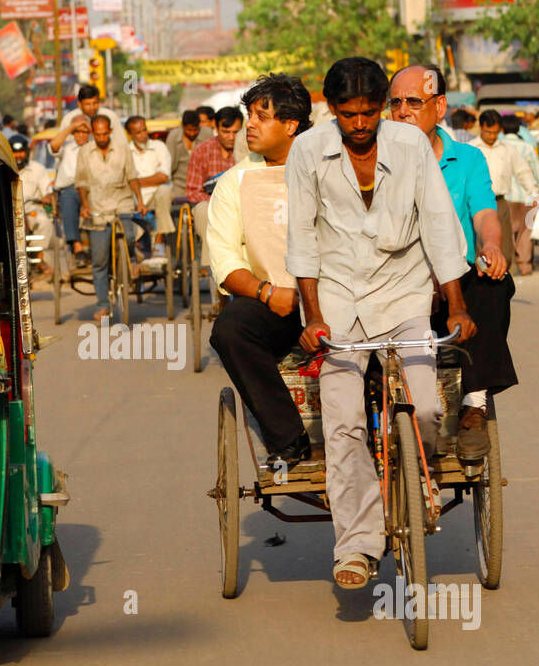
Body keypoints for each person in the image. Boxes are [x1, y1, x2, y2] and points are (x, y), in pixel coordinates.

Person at [286, 57, 474, 590]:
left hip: (403, 291)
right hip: (338, 298)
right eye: (350, 114)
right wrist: (314, 317)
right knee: (342, 423)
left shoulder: (410, 146)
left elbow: (439, 225)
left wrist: (456, 305)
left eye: (370, 113)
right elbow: (301, 237)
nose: (361, 124)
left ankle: (422, 477)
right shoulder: (307, 151)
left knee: (429, 406)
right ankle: (356, 547)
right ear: (332, 110)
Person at [389, 64, 515, 460]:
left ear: (439, 106)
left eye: (414, 101)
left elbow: (484, 214)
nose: (403, 111)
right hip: (399, 284)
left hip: (456, 283)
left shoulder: (468, 159)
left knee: (494, 281)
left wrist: (491, 247)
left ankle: (474, 406)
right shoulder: (379, 158)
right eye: (395, 103)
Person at [206, 74, 315, 467]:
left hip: (336, 295)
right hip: (277, 300)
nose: (249, 124)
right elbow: (226, 263)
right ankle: (288, 438)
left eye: (261, 117)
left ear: (291, 125)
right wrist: (271, 294)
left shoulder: (327, 166)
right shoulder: (234, 182)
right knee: (230, 330)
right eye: (248, 115)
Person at [75, 114, 141, 323]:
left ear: (110, 131)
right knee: (100, 259)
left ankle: (131, 259)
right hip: (98, 208)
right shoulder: (85, 152)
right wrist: (85, 206)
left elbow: (132, 176)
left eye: (105, 133)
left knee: (129, 235)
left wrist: (140, 200)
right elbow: (81, 184)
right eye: (98, 134)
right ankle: (103, 304)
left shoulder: (122, 149)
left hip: (121, 202)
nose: (102, 138)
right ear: (93, 133)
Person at [474, 110, 538, 268]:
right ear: (481, 128)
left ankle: (500, 278)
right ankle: (482, 283)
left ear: (500, 130)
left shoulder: (507, 149)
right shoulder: (471, 148)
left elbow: (523, 171)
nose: (491, 136)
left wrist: (533, 192)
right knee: (480, 247)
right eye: (488, 132)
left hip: (501, 203)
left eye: (495, 132)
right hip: (476, 204)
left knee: (505, 249)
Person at [185, 106, 244, 265]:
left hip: (240, 204)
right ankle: (210, 265)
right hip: (210, 204)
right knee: (203, 210)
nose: (231, 137)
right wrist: (217, 204)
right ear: (216, 129)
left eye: (236, 132)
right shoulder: (201, 151)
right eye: (226, 132)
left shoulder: (248, 150)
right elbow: (193, 191)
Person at [500, 113, 539, 275]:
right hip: (527, 195)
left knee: (507, 231)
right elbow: (536, 170)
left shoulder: (500, 147)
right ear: (519, 128)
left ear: (501, 129)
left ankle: (510, 263)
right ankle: (525, 264)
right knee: (525, 231)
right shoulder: (527, 147)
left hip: (505, 196)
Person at [125, 115, 173, 254]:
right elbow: (125, 181)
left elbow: (163, 176)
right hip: (133, 199)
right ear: (130, 134)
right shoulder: (126, 152)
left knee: (165, 191)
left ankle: (159, 239)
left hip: (156, 197)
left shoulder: (159, 147)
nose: (143, 135)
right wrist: (148, 180)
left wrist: (135, 182)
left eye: (144, 130)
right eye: (138, 132)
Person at [11, 134, 55, 277]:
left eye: (21, 152)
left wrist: (47, 197)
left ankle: (39, 258)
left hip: (31, 209)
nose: (18, 155)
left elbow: (46, 191)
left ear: (27, 152)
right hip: (11, 212)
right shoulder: (3, 169)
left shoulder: (38, 169)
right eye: (15, 152)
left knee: (44, 221)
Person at [52, 115, 92, 265]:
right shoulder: (67, 149)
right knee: (68, 198)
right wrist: (71, 127)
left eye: (84, 132)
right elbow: (54, 146)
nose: (80, 135)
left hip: (92, 189)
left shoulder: (95, 147)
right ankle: (77, 247)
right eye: (77, 132)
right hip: (70, 189)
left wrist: (90, 127)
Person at [54, 85, 125, 150]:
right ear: (79, 104)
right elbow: (60, 146)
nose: (92, 107)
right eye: (87, 104)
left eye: (95, 103)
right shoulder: (69, 119)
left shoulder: (110, 116)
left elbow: (121, 142)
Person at [165, 109, 211, 202]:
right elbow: (169, 165)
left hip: (202, 186)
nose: (192, 133)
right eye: (189, 130)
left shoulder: (207, 134)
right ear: (183, 126)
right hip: (179, 185)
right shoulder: (173, 137)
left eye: (195, 130)